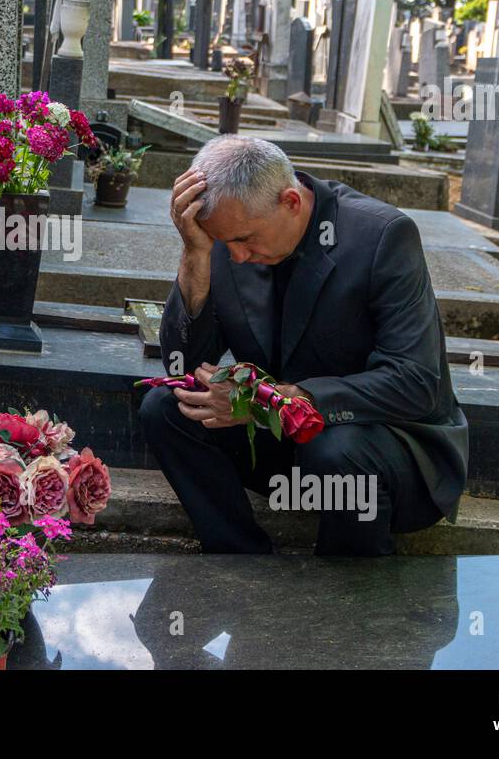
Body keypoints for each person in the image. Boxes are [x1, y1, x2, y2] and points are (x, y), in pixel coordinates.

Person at [141, 135, 467, 555]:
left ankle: (348, 587)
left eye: (245, 240)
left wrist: (269, 401)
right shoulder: (227, 238)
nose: (237, 257)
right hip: (291, 450)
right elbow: (182, 364)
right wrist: (195, 255)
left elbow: (414, 383)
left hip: (386, 451)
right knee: (167, 407)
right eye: (225, 244)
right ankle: (240, 559)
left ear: (291, 201)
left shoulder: (383, 236)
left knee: (335, 447)